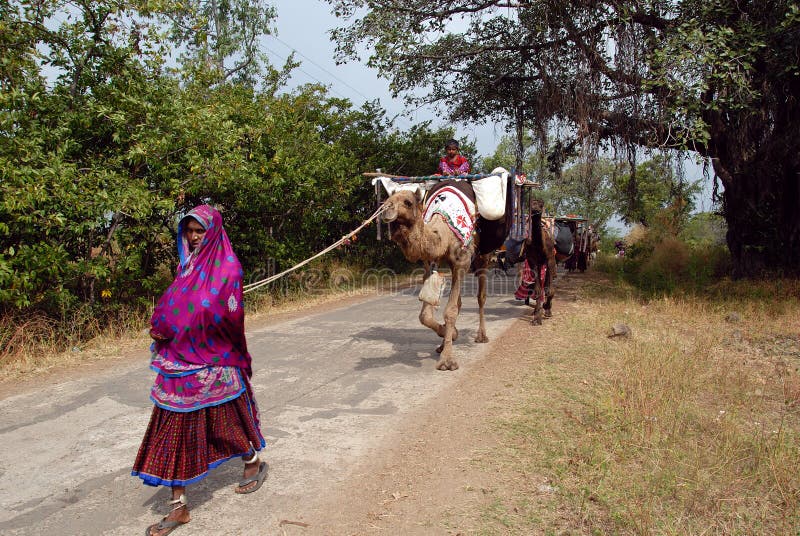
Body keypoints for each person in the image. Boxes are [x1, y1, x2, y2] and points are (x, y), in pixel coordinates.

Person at [132, 204, 267, 536]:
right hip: (179, 363)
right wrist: (163, 325)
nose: (192, 237)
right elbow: (175, 306)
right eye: (188, 231)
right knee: (172, 429)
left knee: (228, 421)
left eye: (199, 231)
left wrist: (181, 324)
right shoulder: (187, 267)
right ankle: (178, 508)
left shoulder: (229, 270)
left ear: (214, 232)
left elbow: (222, 316)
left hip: (215, 360)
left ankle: (251, 461)